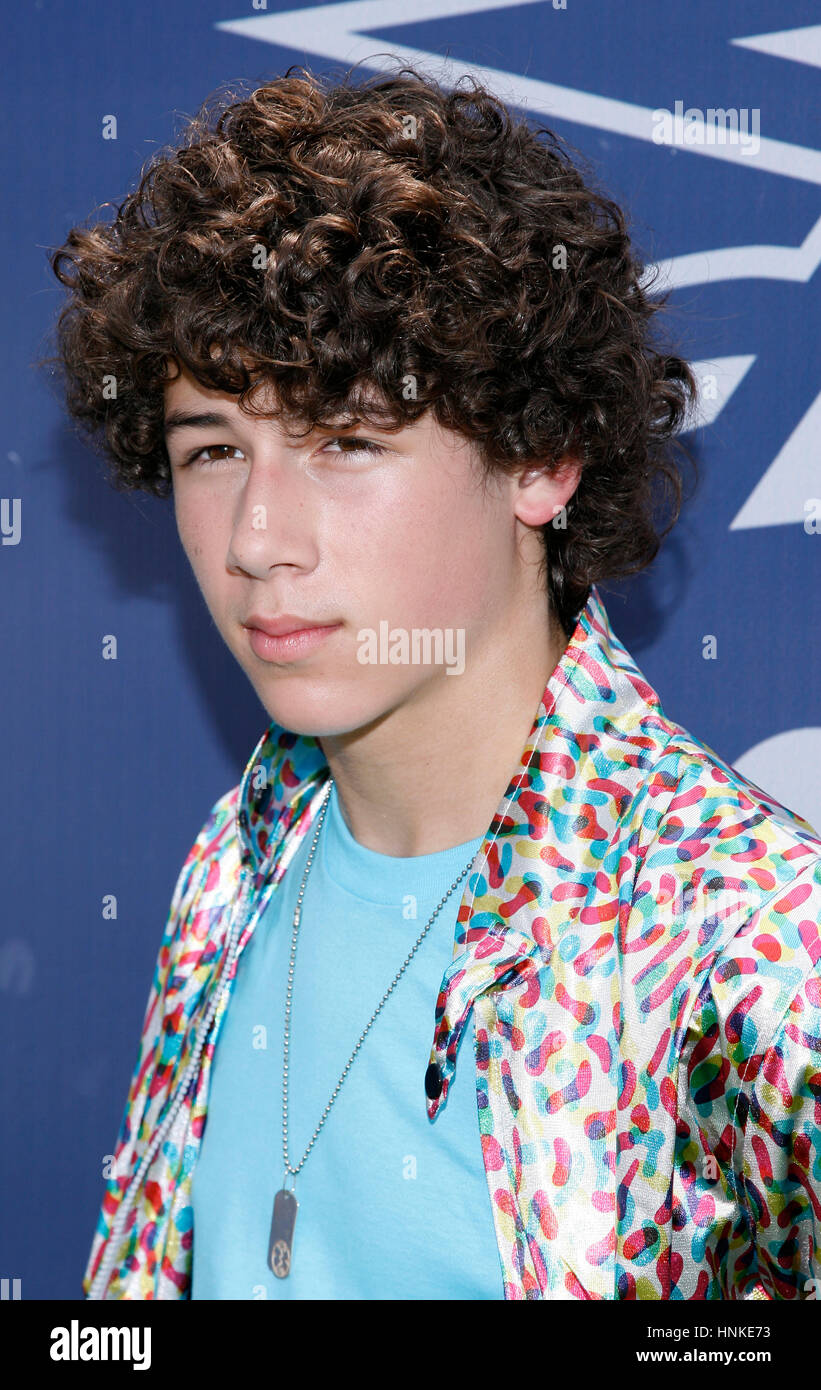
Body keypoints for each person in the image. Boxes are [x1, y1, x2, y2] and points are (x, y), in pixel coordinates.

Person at [43, 63, 821, 1301]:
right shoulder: (238, 860)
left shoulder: (751, 945)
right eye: (210, 450)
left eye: (344, 441)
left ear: (541, 461)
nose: (255, 537)